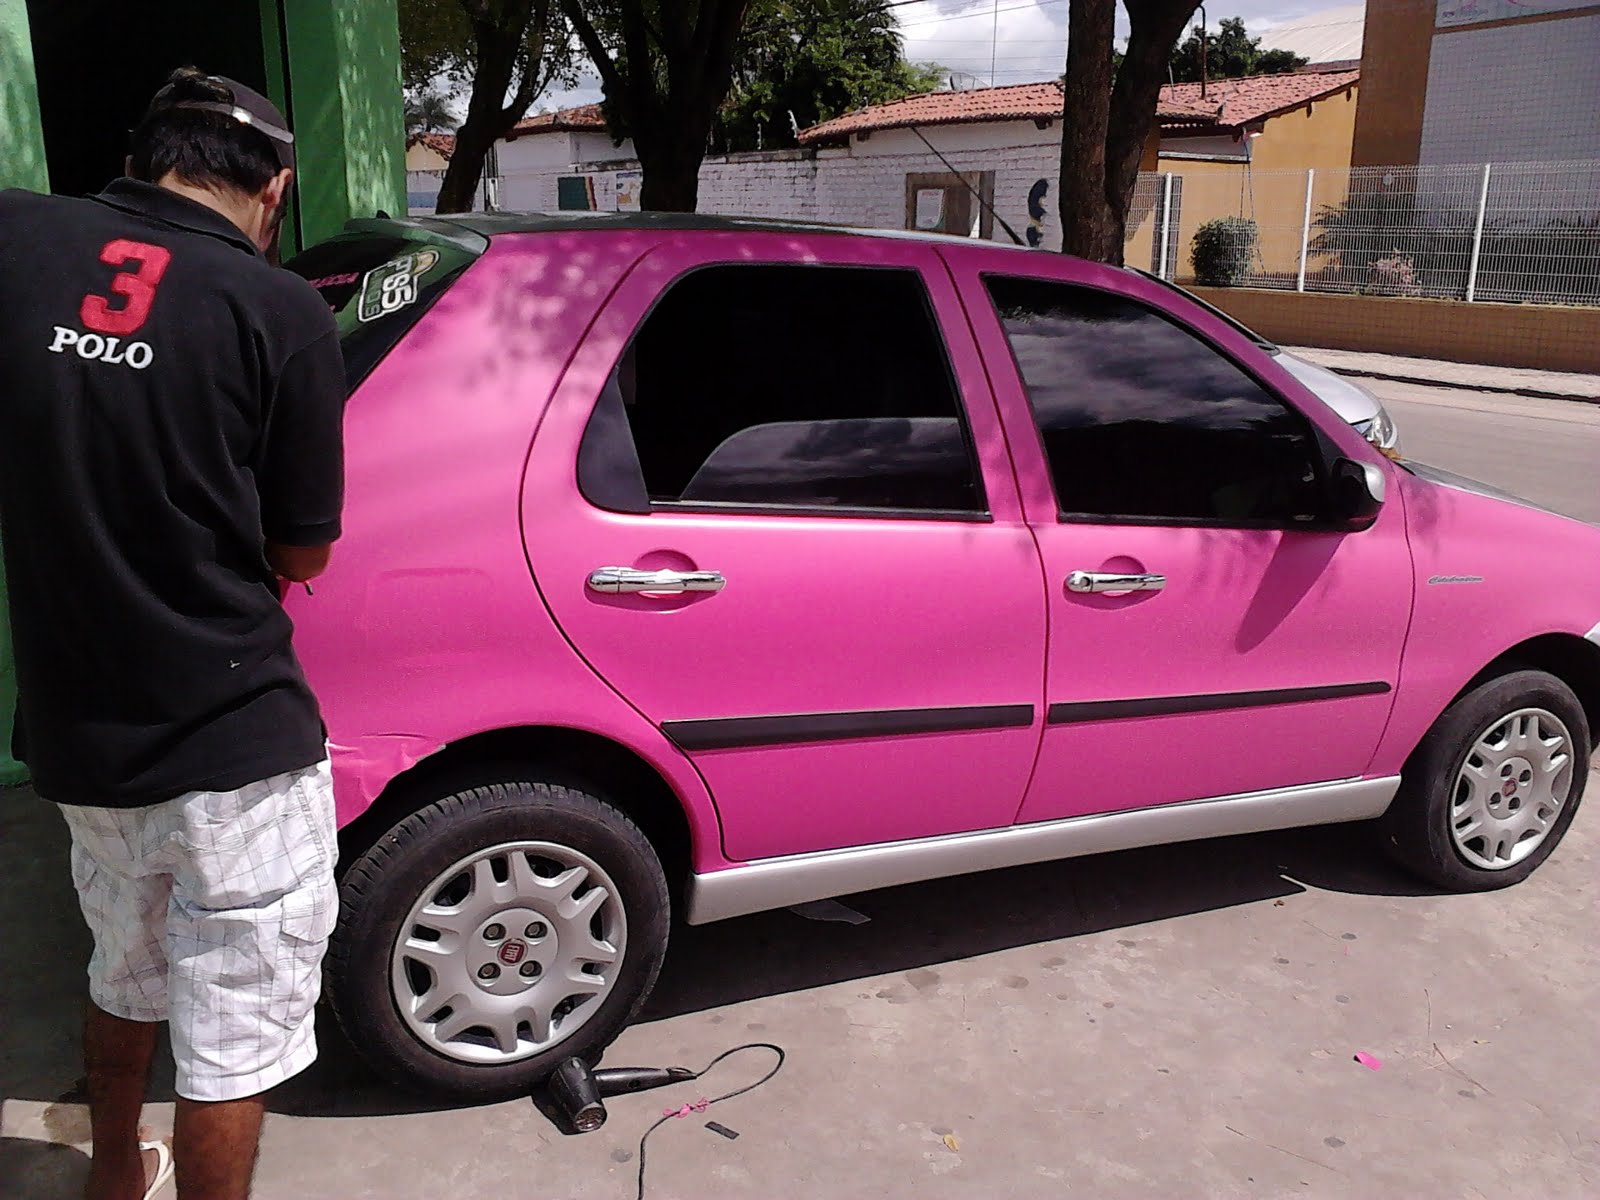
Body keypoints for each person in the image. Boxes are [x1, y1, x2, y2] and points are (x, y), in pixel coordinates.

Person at [0, 69, 345, 1200]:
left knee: (125, 963)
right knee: (233, 1030)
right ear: (275, 189)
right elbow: (301, 555)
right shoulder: (281, 308)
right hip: (229, 736)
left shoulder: (19, 236)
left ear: (143, 155)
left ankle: (113, 1177)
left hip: (78, 733)